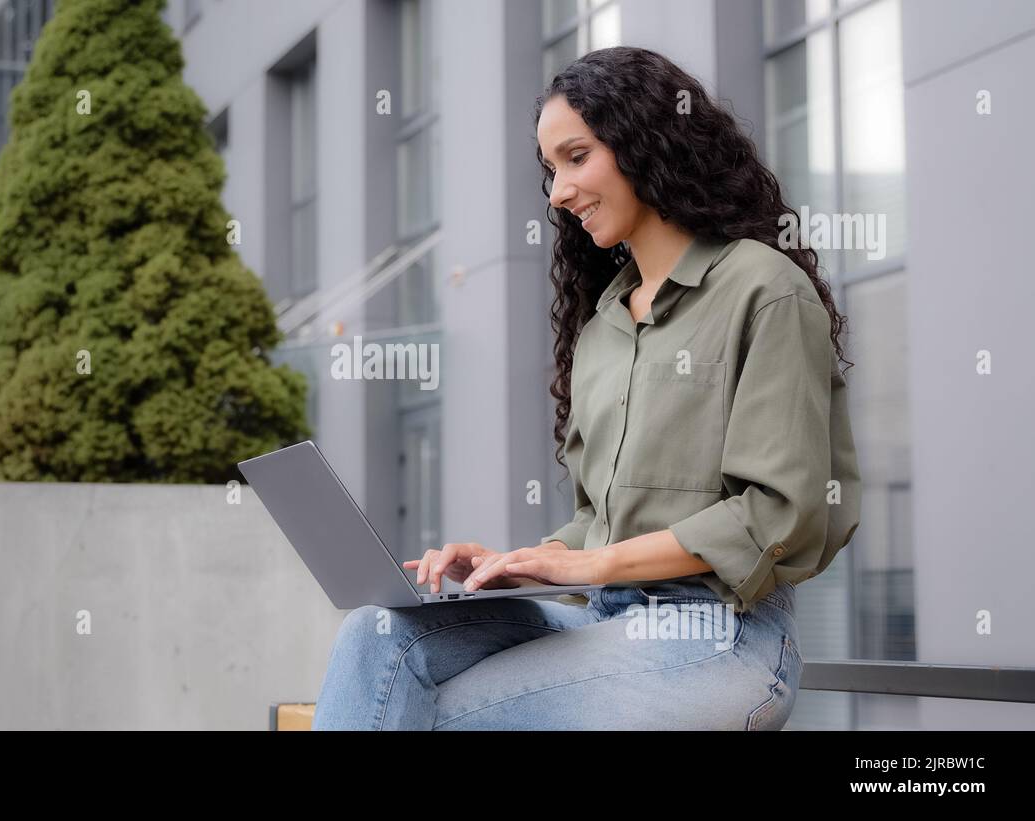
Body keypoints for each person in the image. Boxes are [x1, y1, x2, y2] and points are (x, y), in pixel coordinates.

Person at [311, 46, 861, 731]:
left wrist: (593, 562)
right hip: (598, 616)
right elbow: (598, 521)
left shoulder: (763, 288)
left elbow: (781, 514)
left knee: (436, 714)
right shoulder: (604, 323)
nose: (557, 192)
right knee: (375, 635)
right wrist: (525, 561)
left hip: (721, 634)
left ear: (643, 141)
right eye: (550, 170)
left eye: (576, 157)